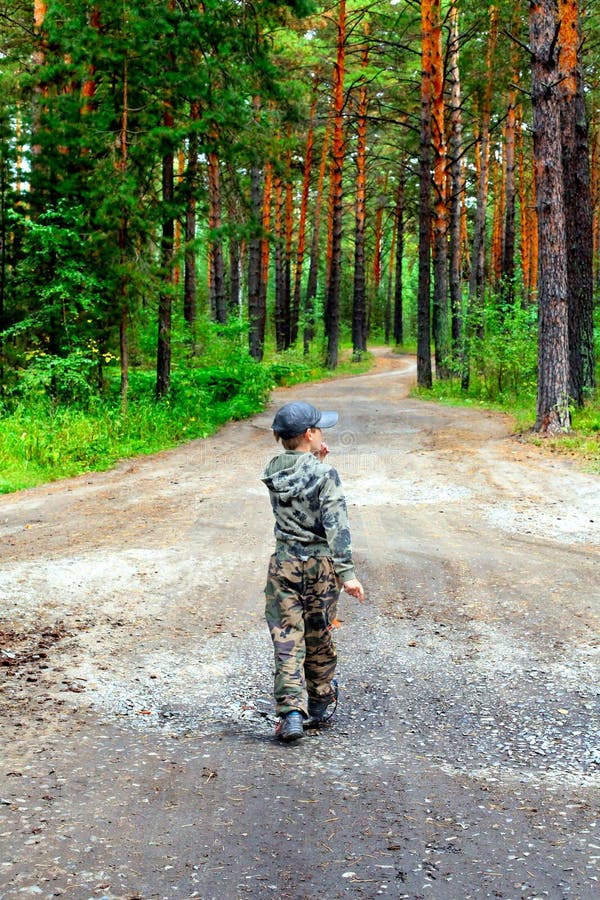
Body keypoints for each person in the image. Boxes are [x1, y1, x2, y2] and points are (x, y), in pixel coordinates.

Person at [261, 400, 365, 743]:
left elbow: (297, 480)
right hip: (320, 567)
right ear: (309, 434)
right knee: (318, 634)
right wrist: (347, 574)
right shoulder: (325, 474)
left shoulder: (274, 468)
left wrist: (315, 459)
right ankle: (319, 704)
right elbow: (336, 524)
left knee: (287, 639)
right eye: (320, 430)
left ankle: (291, 712)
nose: (323, 435)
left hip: (284, 565)